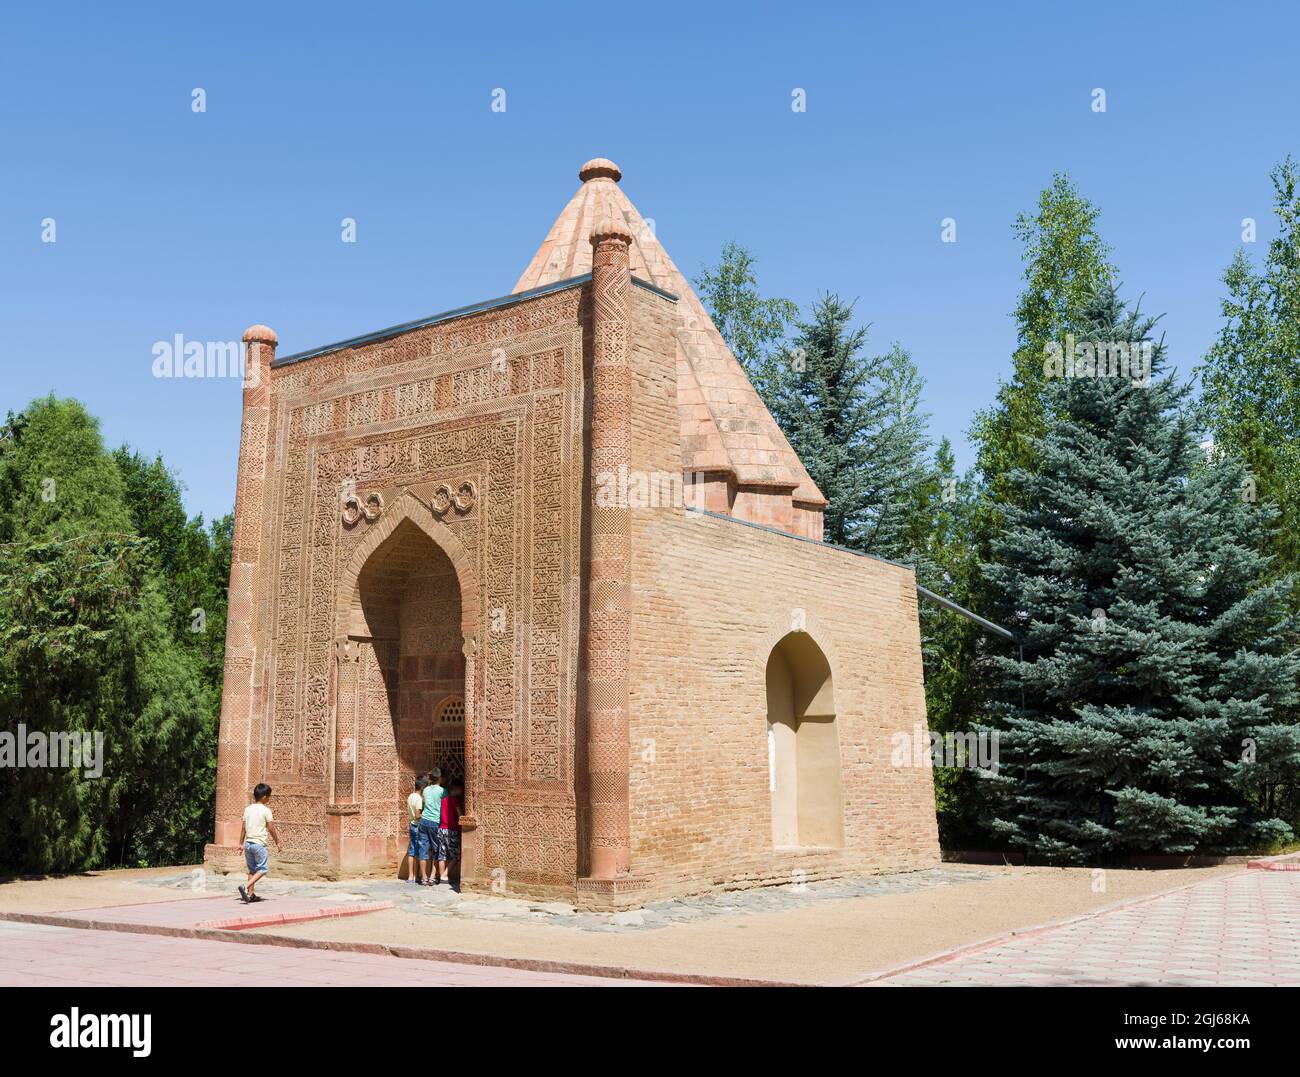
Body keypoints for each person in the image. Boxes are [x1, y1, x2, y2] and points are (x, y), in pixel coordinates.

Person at [237, 783, 281, 904]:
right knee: (262, 869)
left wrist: (240, 844)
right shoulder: (266, 810)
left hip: (248, 844)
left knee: (252, 870)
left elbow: (243, 828)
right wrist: (278, 842)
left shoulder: (248, 809)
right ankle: (245, 887)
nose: (269, 799)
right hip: (259, 844)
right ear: (264, 797)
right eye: (269, 796)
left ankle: (250, 895)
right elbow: (271, 828)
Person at [418, 768, 444, 886]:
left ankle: (423, 877)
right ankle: (432, 877)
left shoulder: (426, 790)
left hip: (424, 821)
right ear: (440, 778)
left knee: (423, 850)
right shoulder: (442, 791)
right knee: (437, 850)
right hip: (435, 822)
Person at [438, 777, 464, 886]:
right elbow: (460, 814)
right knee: (456, 855)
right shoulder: (455, 801)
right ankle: (445, 874)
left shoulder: (443, 800)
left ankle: (442, 878)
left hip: (441, 829)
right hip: (452, 830)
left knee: (442, 855)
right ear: (457, 789)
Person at [406, 775, 429, 883]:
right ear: (423, 787)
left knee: (411, 851)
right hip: (417, 825)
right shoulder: (419, 799)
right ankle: (417, 875)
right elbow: (417, 815)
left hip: (411, 825)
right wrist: (426, 813)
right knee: (419, 851)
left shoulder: (410, 796)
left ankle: (411, 876)